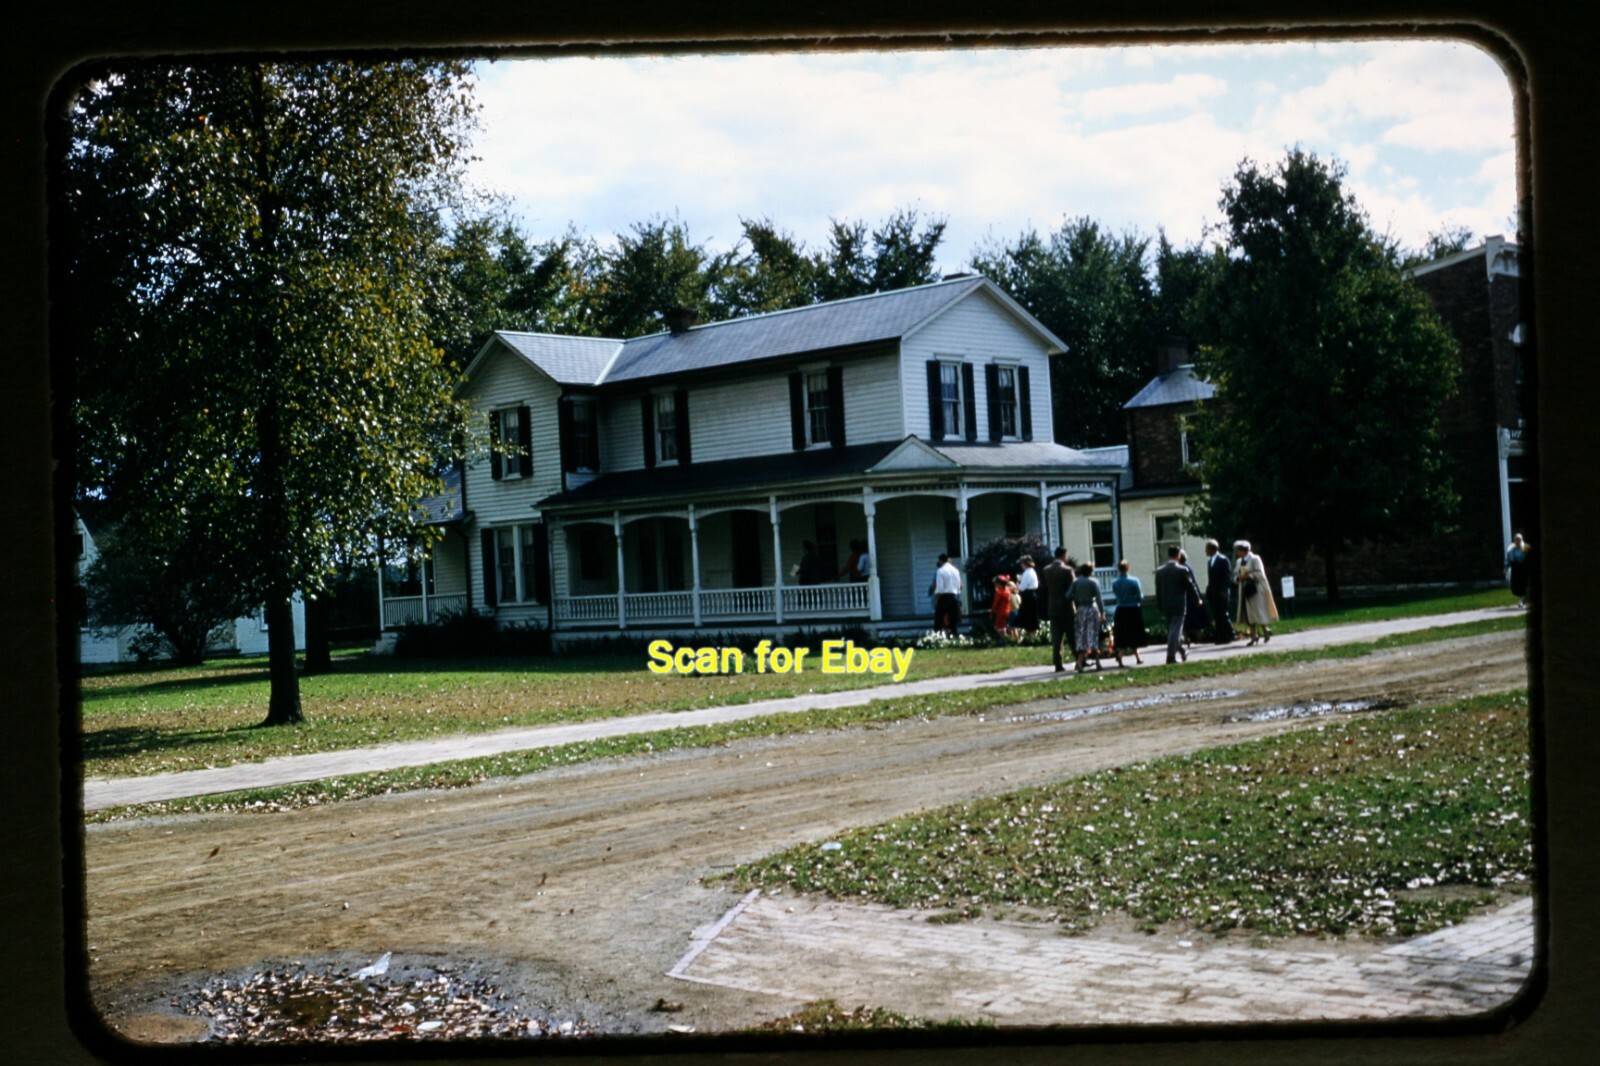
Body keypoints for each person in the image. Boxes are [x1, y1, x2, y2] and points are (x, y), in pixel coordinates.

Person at [1233, 539, 1280, 645]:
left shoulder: (1255, 559)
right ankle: (1254, 637)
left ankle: (1265, 632)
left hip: (1256, 590)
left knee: (1257, 612)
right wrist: (1238, 578)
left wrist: (1248, 576)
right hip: (1244, 590)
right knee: (1248, 614)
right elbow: (1235, 574)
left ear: (1244, 550)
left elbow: (1260, 574)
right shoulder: (1239, 562)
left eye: (1238, 550)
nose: (1237, 553)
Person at [1066, 562, 1106, 674]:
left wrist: (1077, 597)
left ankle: (1080, 661)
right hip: (1091, 609)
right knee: (1093, 635)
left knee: (1082, 636)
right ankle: (1096, 662)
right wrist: (1102, 612)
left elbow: (1068, 595)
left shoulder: (1076, 582)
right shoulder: (1093, 582)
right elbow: (1099, 598)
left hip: (1080, 610)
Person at [1041, 546, 1075, 672]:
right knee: (1072, 636)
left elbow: (1044, 589)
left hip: (1053, 606)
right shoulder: (1067, 570)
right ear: (1064, 556)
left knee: (1057, 638)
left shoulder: (1046, 570)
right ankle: (1079, 659)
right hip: (1066, 607)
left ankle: (1058, 663)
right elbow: (1073, 589)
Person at [1154, 546, 1190, 665]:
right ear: (1178, 555)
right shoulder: (1182, 570)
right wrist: (1198, 600)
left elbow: (1158, 591)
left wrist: (1159, 605)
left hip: (1166, 604)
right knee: (1175, 631)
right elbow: (1190, 587)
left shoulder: (1160, 571)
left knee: (1172, 631)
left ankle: (1182, 650)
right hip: (1178, 604)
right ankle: (1170, 657)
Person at [1109, 559, 1147, 667]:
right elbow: (1140, 596)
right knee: (1134, 634)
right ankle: (1137, 657)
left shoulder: (1115, 582)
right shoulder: (1134, 581)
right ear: (1128, 568)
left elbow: (1116, 594)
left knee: (1123, 634)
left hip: (1121, 609)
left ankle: (1122, 655)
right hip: (1133, 608)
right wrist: (1137, 599)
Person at [1203, 538, 1235, 644]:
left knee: (1223, 614)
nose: (1205, 551)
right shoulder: (1210, 562)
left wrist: (1224, 590)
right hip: (1213, 592)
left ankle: (1229, 634)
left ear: (1212, 549)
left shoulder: (1223, 560)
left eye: (1207, 549)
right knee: (1217, 615)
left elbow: (1227, 577)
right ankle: (1220, 636)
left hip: (1222, 592)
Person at [1177, 549, 1206, 647]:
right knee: (1190, 619)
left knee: (1191, 619)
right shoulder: (1186, 566)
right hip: (1190, 596)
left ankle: (1194, 637)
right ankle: (1189, 637)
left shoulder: (1184, 568)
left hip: (1189, 597)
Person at [931, 553, 963, 635]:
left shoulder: (940, 571)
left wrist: (937, 599)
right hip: (954, 596)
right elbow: (959, 585)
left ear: (941, 561)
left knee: (939, 619)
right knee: (953, 619)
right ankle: (954, 636)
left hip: (944, 597)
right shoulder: (956, 570)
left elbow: (940, 588)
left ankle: (937, 636)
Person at [1015, 555, 1040, 635]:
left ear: (1024, 564)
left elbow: (1022, 588)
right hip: (1033, 594)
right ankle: (1033, 634)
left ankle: (1031, 634)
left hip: (1028, 595)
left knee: (1028, 615)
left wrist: (1017, 584)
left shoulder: (1026, 573)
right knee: (1033, 615)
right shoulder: (1033, 571)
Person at [1505, 532, 1530, 608]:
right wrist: (1505, 567)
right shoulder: (1511, 549)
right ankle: (1521, 600)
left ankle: (1523, 600)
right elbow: (1508, 559)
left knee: (1525, 585)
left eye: (1519, 539)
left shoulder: (1526, 548)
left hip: (1524, 569)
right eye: (1516, 539)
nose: (1518, 541)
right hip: (1516, 570)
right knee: (1517, 587)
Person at [990, 573, 1017, 640]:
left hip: (1001, 611)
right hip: (1008, 610)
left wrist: (992, 611)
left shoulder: (998, 592)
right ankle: (1013, 639)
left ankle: (1005, 640)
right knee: (1008, 626)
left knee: (999, 627)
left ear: (999, 584)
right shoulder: (1007, 591)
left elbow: (995, 603)